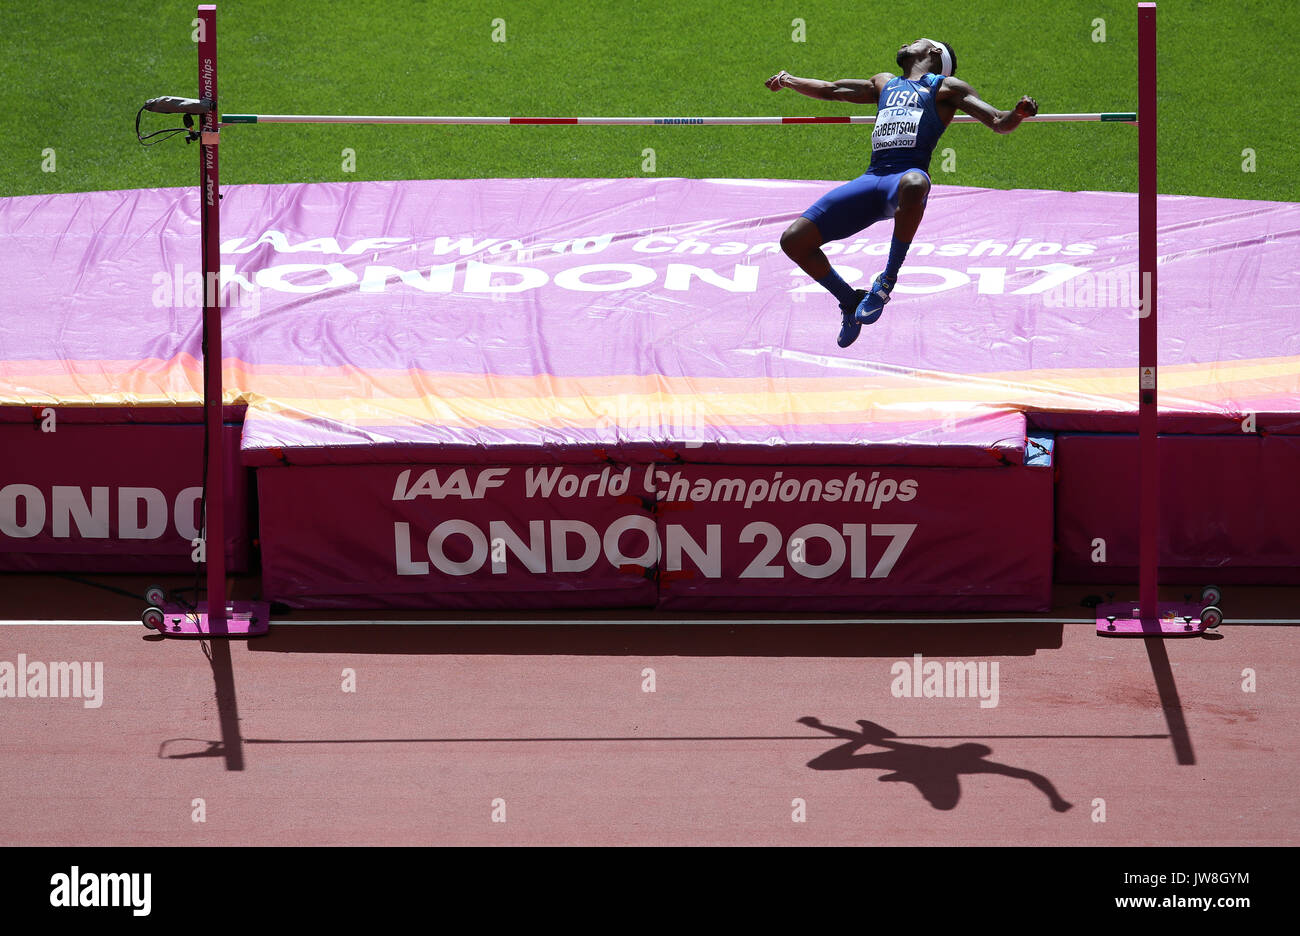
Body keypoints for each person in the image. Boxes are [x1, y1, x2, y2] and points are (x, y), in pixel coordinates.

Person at [766, 39, 1038, 347]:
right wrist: (789, 80)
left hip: (905, 179)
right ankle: (848, 300)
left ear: (934, 53)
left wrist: (1018, 114)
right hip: (872, 180)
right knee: (793, 240)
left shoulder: (946, 88)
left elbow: (998, 122)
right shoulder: (884, 83)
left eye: (917, 41)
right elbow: (831, 89)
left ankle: (886, 281)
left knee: (914, 183)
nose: (907, 43)